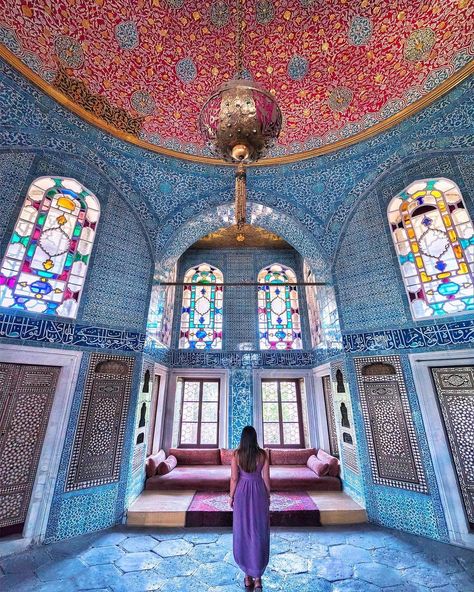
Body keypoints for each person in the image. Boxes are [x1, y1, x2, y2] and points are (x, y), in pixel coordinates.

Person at [230, 426, 271, 590]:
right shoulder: (263, 455)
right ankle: (258, 579)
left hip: (242, 493)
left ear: (242, 439)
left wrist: (231, 496)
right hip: (258, 492)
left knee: (243, 532)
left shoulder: (236, 454)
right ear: (255, 438)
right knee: (258, 531)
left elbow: (234, 478)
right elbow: (266, 477)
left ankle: (247, 577)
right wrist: (267, 496)